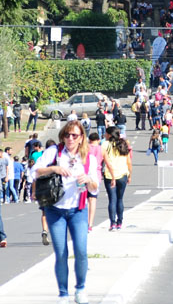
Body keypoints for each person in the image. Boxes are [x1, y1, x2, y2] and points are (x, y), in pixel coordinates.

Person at [31, 120, 100, 304]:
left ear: (81, 138)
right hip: (55, 210)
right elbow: (34, 171)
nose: (70, 138)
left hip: (78, 210)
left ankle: (80, 289)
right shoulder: (54, 152)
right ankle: (63, 293)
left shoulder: (89, 158)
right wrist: (54, 168)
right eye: (67, 135)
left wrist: (87, 180)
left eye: (74, 135)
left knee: (81, 251)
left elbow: (95, 188)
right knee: (61, 253)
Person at [103, 129, 132, 231]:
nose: (104, 135)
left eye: (106, 133)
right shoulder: (123, 144)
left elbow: (100, 157)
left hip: (110, 175)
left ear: (110, 135)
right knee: (120, 199)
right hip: (123, 174)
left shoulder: (106, 144)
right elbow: (129, 162)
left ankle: (112, 223)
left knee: (112, 199)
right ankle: (120, 222)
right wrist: (130, 175)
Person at [86, 132, 103, 232]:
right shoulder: (101, 149)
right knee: (93, 199)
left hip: (85, 174)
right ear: (98, 139)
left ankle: (84, 220)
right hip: (96, 175)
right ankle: (90, 223)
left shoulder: (86, 147)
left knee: (85, 199)